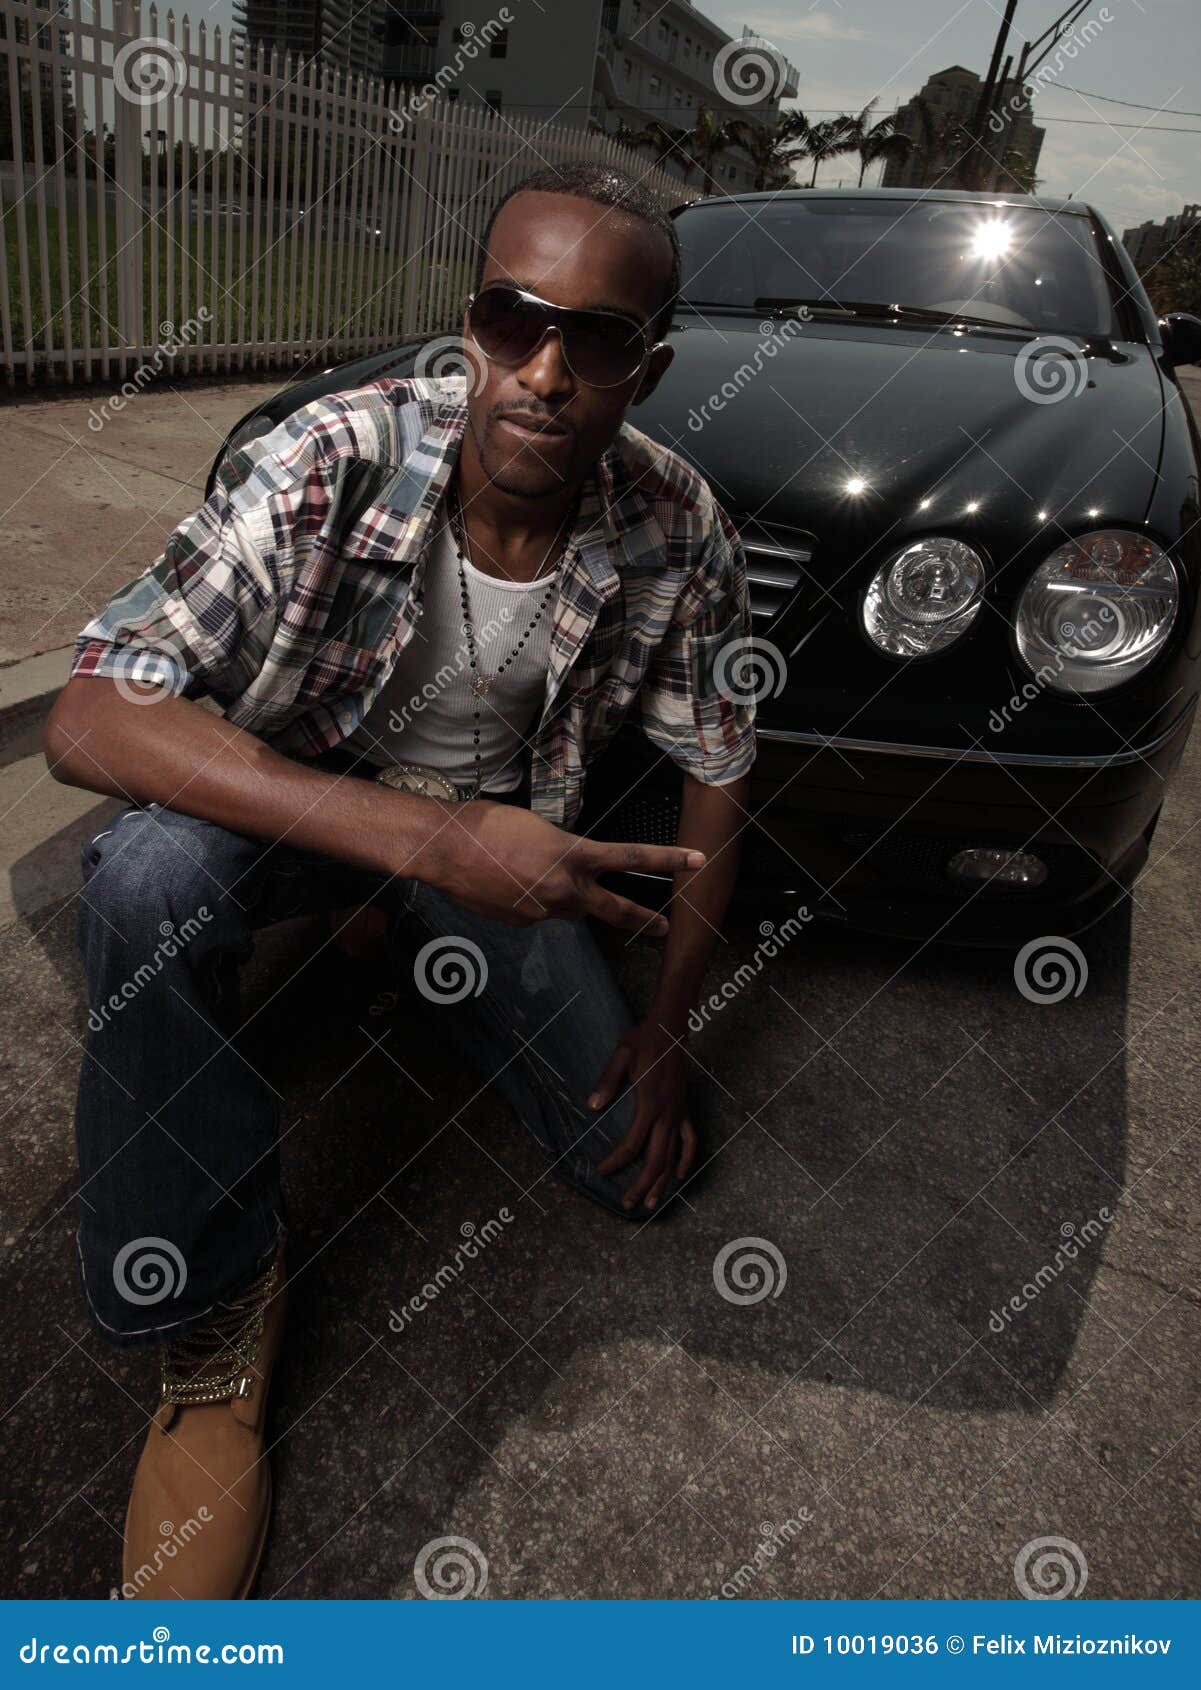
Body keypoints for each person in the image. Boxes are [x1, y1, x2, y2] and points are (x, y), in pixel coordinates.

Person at [45, 163, 755, 1599]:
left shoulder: (677, 523)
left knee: (633, 1182)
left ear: (649, 367)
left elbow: (718, 775)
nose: (546, 373)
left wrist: (671, 1023)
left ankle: (400, 945)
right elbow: (91, 716)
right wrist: (423, 841)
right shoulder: (334, 453)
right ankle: (212, 1309)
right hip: (311, 809)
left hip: (497, 853)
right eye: (514, 318)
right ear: (472, 320)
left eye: (599, 341)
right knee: (141, 881)